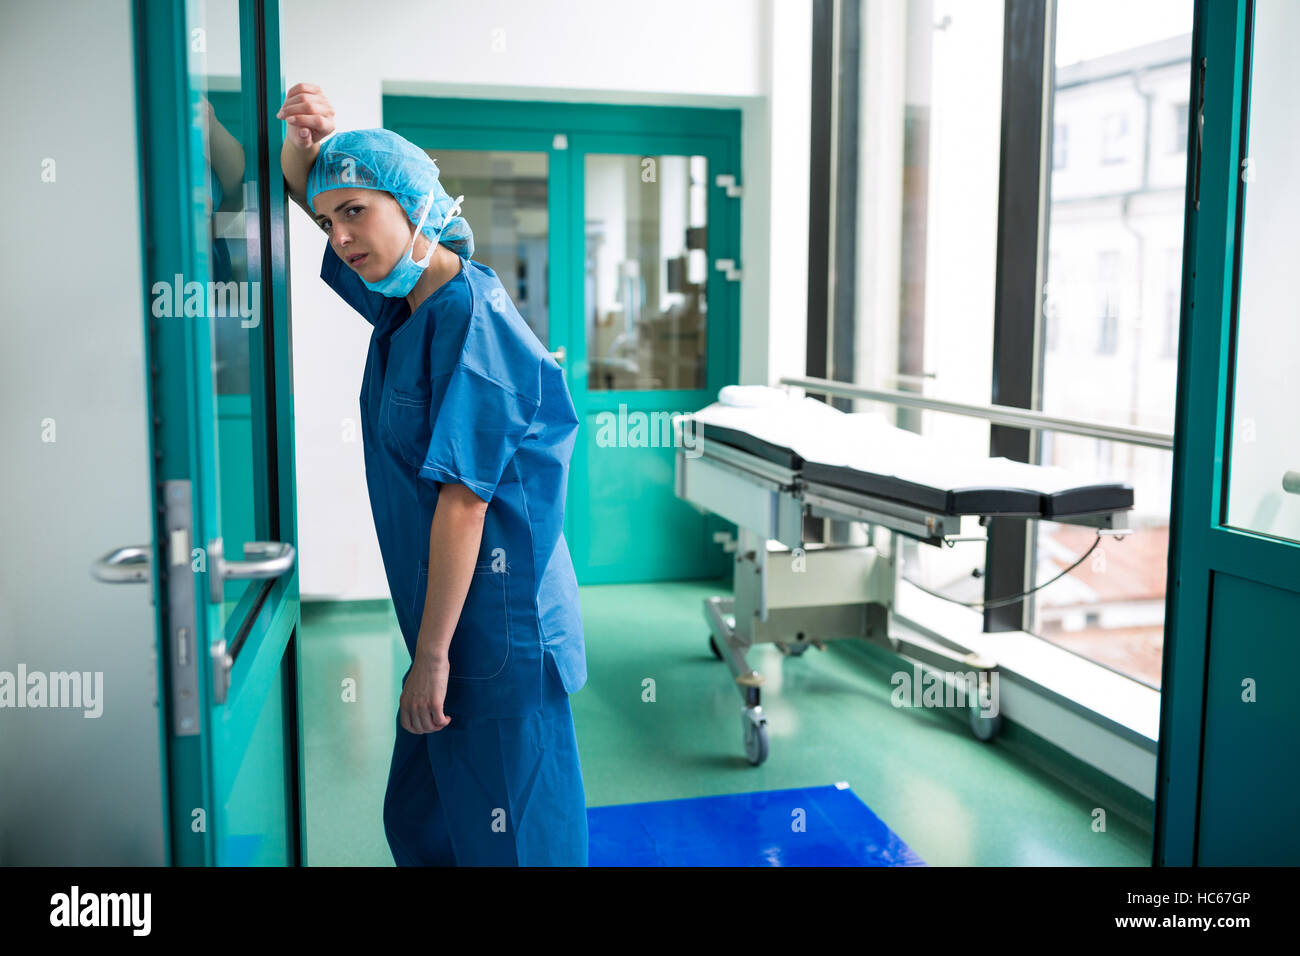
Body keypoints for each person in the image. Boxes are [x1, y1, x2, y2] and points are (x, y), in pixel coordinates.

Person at [277, 83, 589, 866]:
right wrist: (301, 153)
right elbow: (316, 196)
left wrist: (431, 659)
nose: (341, 236)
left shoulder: (477, 322)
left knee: (514, 834)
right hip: (447, 618)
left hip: (496, 630)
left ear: (416, 206)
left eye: (356, 212)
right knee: (425, 817)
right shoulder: (405, 300)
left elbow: (463, 503)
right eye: (327, 220)